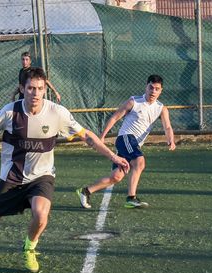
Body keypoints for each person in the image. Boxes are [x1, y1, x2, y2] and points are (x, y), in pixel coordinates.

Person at [0, 68, 128, 273]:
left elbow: (87, 136)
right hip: (12, 177)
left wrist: (114, 157)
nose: (36, 93)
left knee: (41, 214)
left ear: (45, 89)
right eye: (31, 88)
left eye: (40, 88)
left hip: (41, 176)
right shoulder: (9, 112)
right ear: (22, 88)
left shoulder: (57, 113)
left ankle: (29, 248)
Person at [75, 74, 176, 210]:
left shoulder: (161, 108)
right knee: (139, 162)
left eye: (157, 89)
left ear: (161, 91)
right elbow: (115, 118)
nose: (153, 91)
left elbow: (167, 126)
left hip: (134, 144)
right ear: (146, 87)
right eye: (151, 87)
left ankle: (85, 191)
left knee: (116, 177)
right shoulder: (134, 101)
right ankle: (131, 198)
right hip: (125, 138)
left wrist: (171, 139)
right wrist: (102, 137)